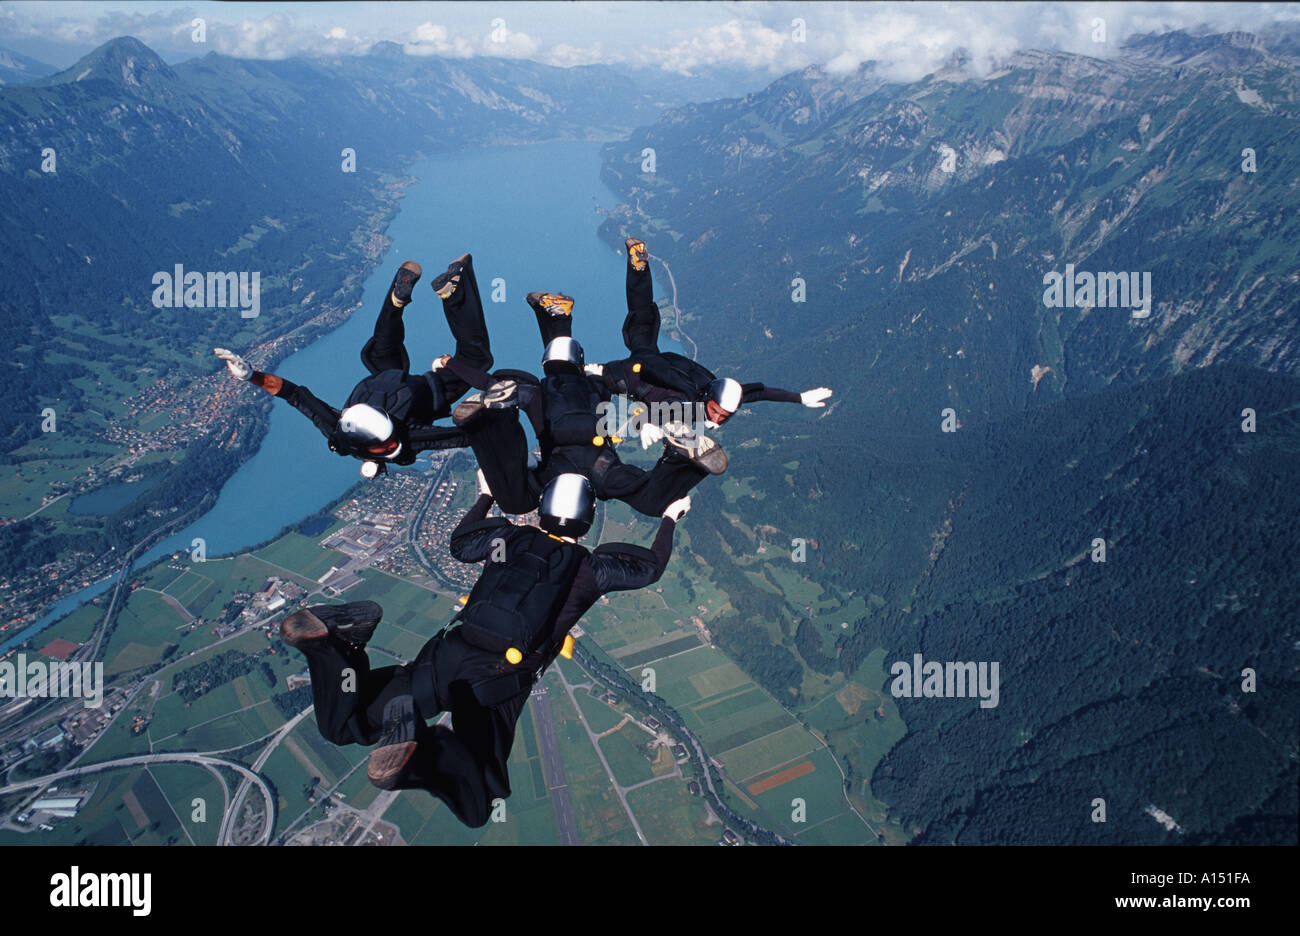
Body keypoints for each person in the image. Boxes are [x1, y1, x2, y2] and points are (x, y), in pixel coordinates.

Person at [278, 472, 692, 828]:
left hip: (445, 655)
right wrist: (670, 517)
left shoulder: (510, 537)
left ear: (545, 507)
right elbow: (650, 567)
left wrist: (485, 495)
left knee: (344, 728)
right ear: (587, 519)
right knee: (478, 803)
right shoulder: (588, 567)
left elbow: (460, 543)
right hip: (494, 680)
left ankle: (335, 641)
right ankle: (423, 753)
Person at [213, 255, 493, 476]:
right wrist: (251, 375)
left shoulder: (407, 439)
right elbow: (293, 394)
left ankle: (453, 293)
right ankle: (395, 304)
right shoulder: (337, 430)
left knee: (476, 360)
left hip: (425, 390)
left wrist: (502, 408)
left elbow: (466, 437)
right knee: (384, 348)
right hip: (382, 379)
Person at [445, 331, 726, 518]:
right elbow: (637, 379)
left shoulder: (537, 390)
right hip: (599, 459)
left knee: (515, 502)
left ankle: (485, 427)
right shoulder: (595, 382)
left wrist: (451, 365)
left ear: (546, 364)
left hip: (559, 460)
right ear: (579, 363)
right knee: (650, 500)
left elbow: (487, 382)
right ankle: (680, 460)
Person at [591, 238, 833, 447]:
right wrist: (644, 424)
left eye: (723, 415)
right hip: (631, 375)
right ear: (708, 399)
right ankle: (560, 324)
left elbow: (761, 392)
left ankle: (639, 266)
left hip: (654, 357)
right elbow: (662, 410)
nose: (717, 418)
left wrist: (799, 398)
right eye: (715, 411)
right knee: (581, 380)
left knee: (642, 313)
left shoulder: (717, 390)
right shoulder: (687, 402)